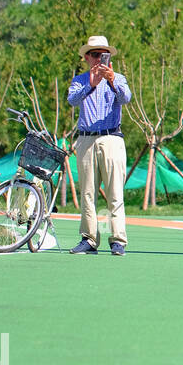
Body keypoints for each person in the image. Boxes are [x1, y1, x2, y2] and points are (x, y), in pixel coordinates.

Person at [67, 35, 132, 256]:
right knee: (87, 193)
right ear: (86, 57)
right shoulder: (79, 80)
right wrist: (91, 86)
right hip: (86, 139)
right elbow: (72, 100)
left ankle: (118, 240)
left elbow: (126, 98)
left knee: (115, 192)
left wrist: (112, 81)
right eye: (94, 54)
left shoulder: (118, 78)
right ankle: (89, 239)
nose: (98, 59)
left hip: (112, 137)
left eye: (103, 55)